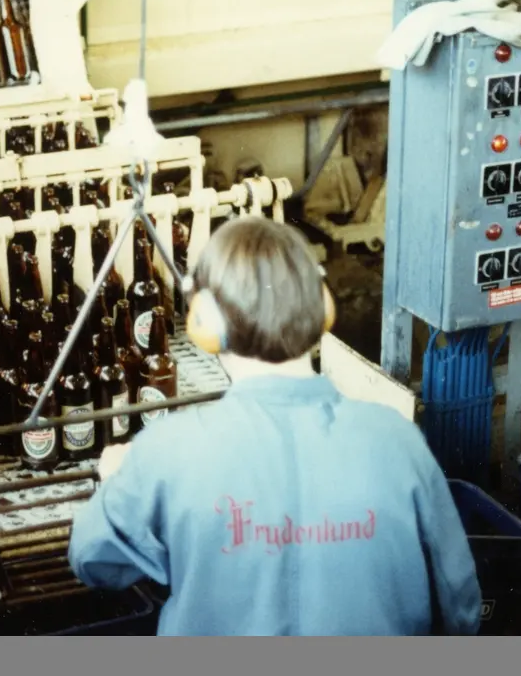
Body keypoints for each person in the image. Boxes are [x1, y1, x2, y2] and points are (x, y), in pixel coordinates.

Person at [67, 215, 482, 636]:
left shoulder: (166, 450)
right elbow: (461, 606)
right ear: (322, 308)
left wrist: (116, 483)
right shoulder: (397, 440)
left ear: (205, 324)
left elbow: (91, 559)